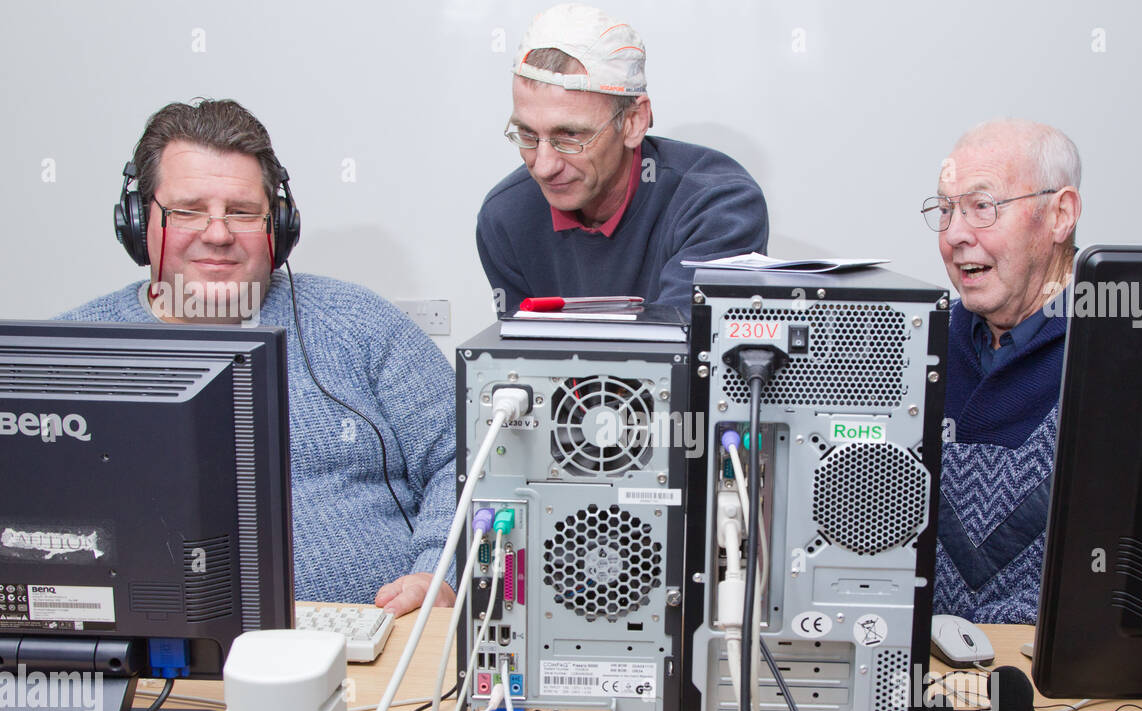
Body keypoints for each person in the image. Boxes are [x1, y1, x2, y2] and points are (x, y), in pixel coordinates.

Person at [54, 98, 455, 616]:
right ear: (138, 223)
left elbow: (466, 455)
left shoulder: (358, 322)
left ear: (279, 227)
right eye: (188, 210)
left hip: (372, 649)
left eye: (242, 213)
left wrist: (436, 573)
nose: (217, 234)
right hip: (145, 657)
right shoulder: (72, 352)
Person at [476, 2, 769, 314]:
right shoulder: (506, 216)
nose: (544, 166)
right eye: (528, 135)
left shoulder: (718, 206)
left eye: (570, 136)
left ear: (634, 122)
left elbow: (679, 353)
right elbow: (524, 355)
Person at [922, 118, 1083, 623]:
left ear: (1060, 215)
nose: (955, 236)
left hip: (1054, 681)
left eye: (982, 207)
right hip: (916, 670)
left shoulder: (1121, 352)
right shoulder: (914, 344)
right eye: (946, 210)